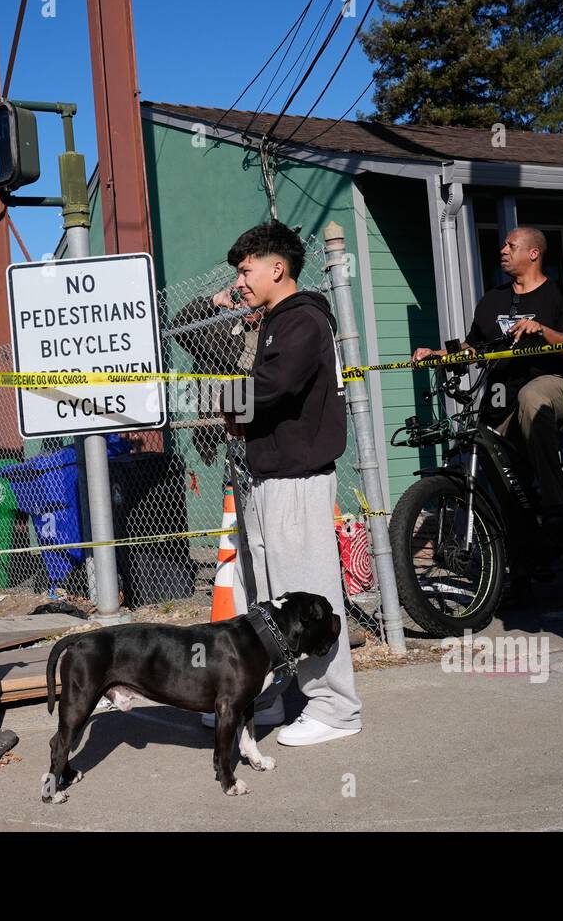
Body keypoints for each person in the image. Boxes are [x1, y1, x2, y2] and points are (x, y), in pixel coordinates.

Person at [214, 219, 362, 747]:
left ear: (278, 267)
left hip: (297, 479)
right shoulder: (278, 320)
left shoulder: (300, 321)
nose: (241, 281)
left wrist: (224, 401)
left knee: (310, 597)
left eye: (246, 269)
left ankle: (336, 708)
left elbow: (273, 387)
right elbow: (264, 389)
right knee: (272, 600)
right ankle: (272, 693)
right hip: (271, 476)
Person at [412, 227, 563, 542]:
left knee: (532, 396)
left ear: (534, 253)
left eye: (511, 245)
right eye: (504, 244)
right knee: (496, 468)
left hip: (553, 386)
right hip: (502, 397)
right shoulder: (493, 300)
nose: (502, 249)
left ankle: (554, 501)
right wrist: (437, 354)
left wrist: (542, 330)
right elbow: (472, 347)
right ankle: (516, 561)